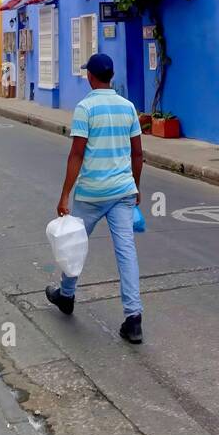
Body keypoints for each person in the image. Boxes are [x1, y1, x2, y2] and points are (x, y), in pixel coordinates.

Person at [46, 53, 145, 344]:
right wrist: (136, 188)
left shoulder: (85, 108)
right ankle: (134, 318)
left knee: (73, 244)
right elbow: (138, 154)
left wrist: (65, 195)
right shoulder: (128, 108)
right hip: (124, 191)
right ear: (111, 76)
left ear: (90, 76)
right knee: (126, 252)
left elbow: (77, 154)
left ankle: (66, 295)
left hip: (91, 194)